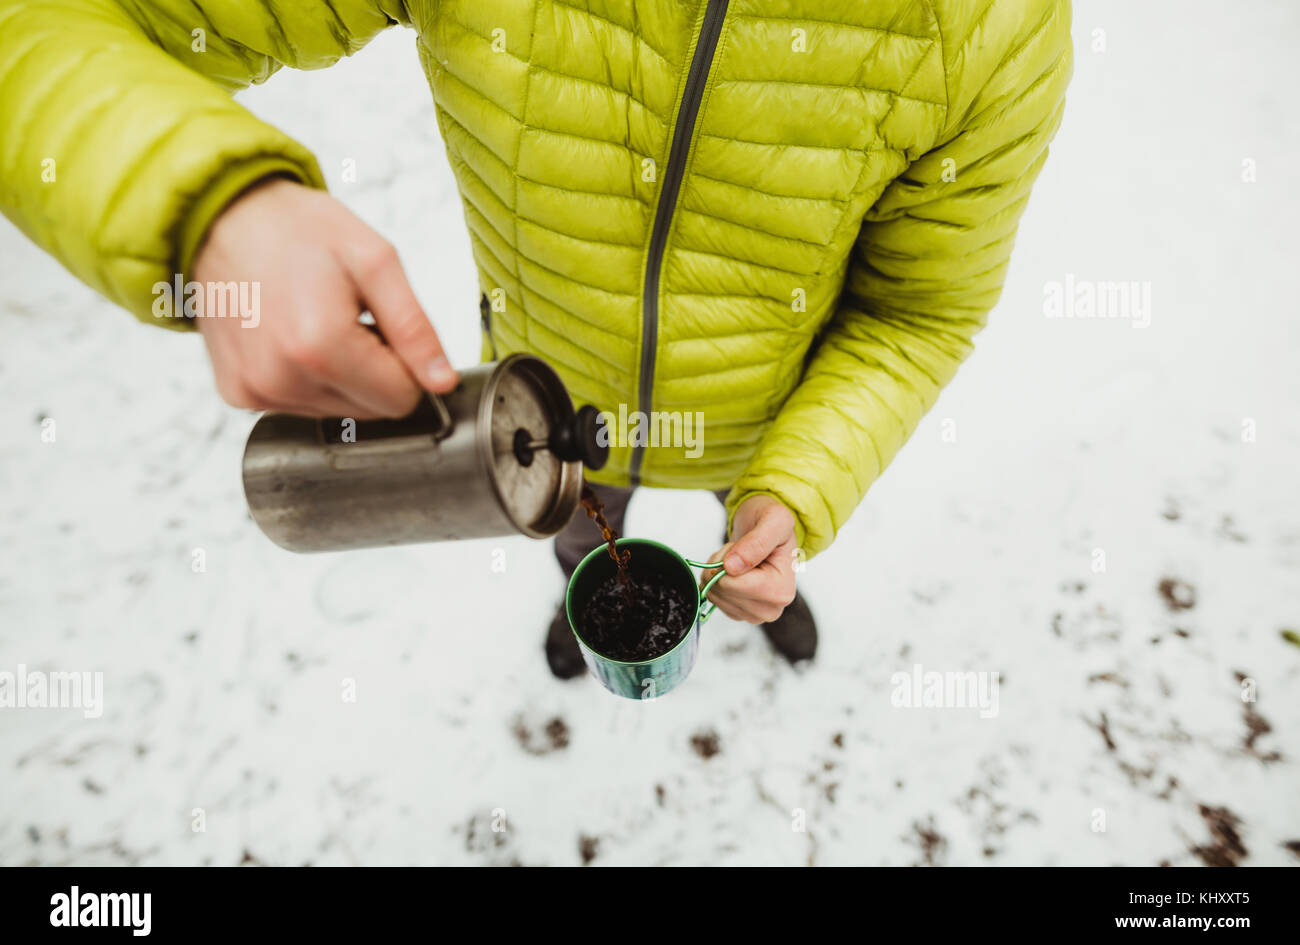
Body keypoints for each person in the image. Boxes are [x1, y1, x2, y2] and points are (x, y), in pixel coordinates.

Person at [0, 0, 1072, 678]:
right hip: (543, 424)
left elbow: (915, 310)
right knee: (577, 529)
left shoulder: (989, 26)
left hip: (758, 429)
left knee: (734, 535)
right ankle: (577, 603)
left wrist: (799, 491)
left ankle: (764, 578)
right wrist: (204, 203)